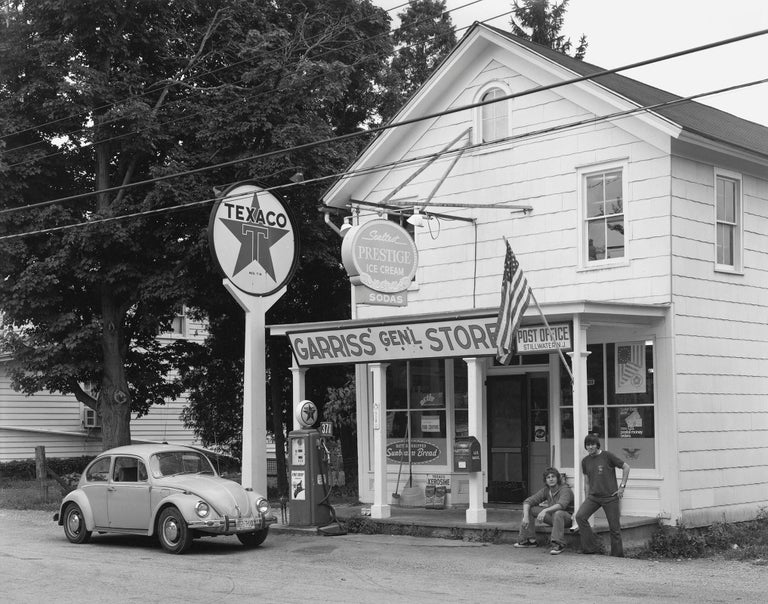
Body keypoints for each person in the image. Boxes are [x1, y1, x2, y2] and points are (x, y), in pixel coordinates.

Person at [574, 434, 630, 557]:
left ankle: (617, 555)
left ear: (597, 445)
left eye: (592, 444)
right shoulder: (585, 461)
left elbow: (626, 467)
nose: (590, 447)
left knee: (614, 528)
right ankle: (590, 548)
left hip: (610, 497)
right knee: (580, 516)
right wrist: (587, 497)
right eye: (588, 445)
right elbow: (587, 481)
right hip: (593, 497)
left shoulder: (607, 456)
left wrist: (622, 487)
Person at [513, 466, 574, 555]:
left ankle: (558, 544)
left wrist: (545, 511)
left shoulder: (565, 490)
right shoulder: (546, 490)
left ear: (557, 478)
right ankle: (528, 540)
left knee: (558, 513)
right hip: (553, 517)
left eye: (553, 477)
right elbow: (528, 501)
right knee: (530, 508)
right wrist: (526, 517)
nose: (551, 479)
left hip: (567, 519)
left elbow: (561, 505)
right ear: (545, 480)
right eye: (548, 477)